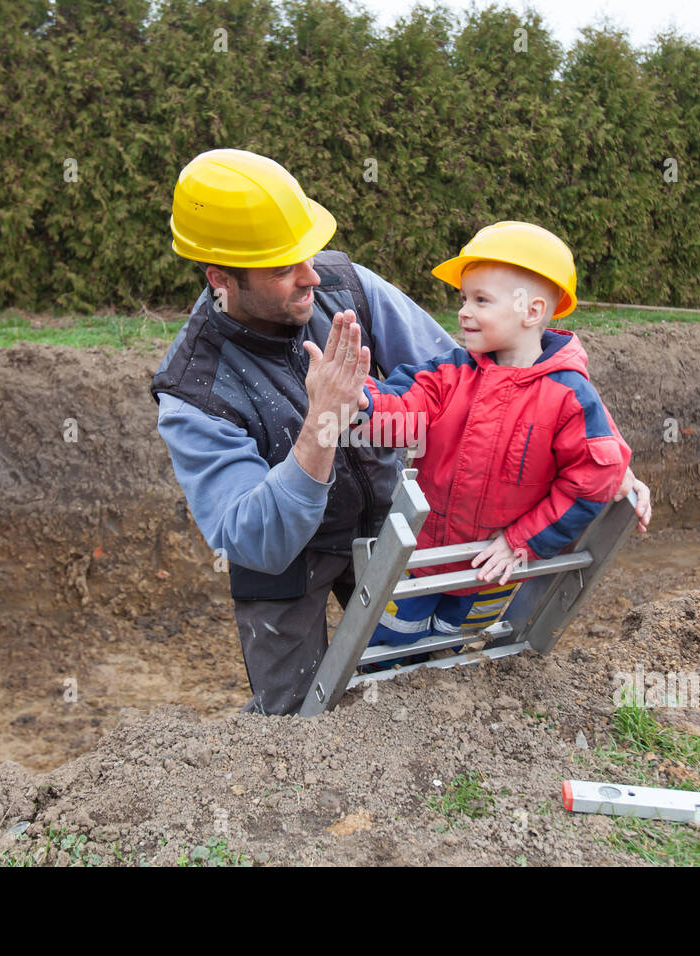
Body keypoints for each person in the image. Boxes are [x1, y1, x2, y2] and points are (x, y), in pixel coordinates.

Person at [151, 149, 652, 715]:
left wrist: (604, 448)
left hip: (388, 523)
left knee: (409, 680)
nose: (311, 275)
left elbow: (483, 374)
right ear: (221, 279)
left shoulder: (343, 285)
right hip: (289, 558)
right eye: (282, 268)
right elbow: (254, 541)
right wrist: (322, 425)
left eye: (307, 255)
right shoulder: (194, 392)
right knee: (292, 719)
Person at [356, 222, 633, 647]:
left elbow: (592, 477)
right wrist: (359, 400)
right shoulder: (449, 371)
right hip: (422, 559)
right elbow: (401, 410)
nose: (464, 311)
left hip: (493, 569)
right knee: (385, 652)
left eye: (481, 300)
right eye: (463, 298)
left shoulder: (568, 397)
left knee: (453, 654)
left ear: (532, 311)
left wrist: (523, 540)